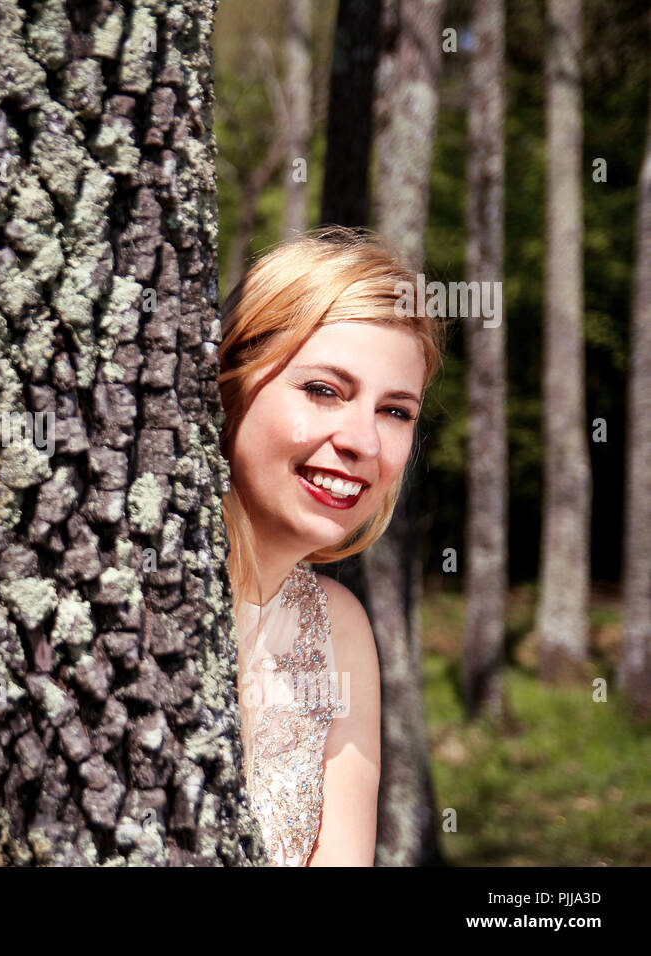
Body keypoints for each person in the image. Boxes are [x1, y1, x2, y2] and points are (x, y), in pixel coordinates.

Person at [217, 227, 446, 866]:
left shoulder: (337, 627)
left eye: (395, 411)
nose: (364, 444)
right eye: (324, 391)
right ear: (233, 379)